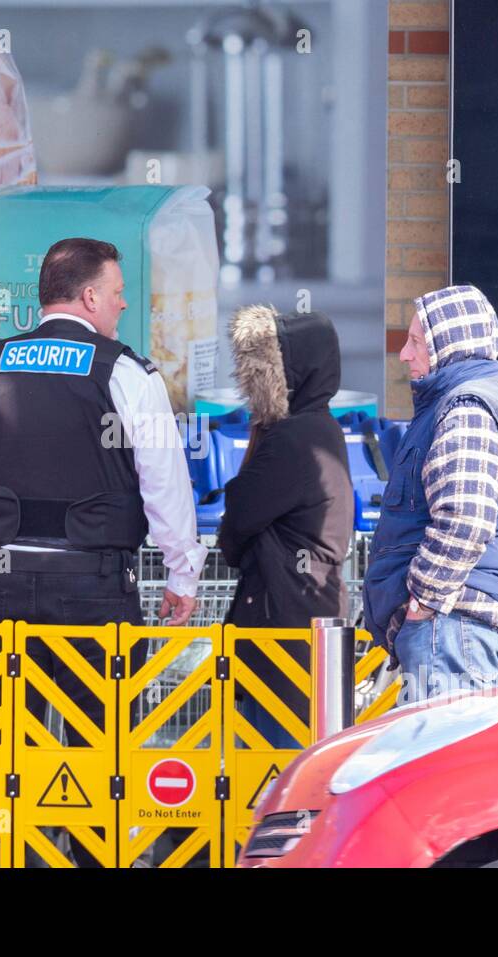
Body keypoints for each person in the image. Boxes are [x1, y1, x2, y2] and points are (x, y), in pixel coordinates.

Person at [0, 237, 206, 740]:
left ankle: (5, 822)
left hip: (3, 583)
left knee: (4, 748)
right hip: (94, 592)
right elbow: (165, 487)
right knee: (99, 754)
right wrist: (183, 576)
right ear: (90, 298)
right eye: (117, 291)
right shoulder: (128, 374)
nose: (124, 302)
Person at [362, 284, 498, 706]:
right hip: (456, 626)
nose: (405, 355)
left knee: (433, 762)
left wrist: (421, 601)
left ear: (449, 346)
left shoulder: (466, 407)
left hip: (451, 625)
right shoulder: (483, 400)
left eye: (415, 342)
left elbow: (466, 517)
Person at [218, 305, 353, 746]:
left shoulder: (295, 438)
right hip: (301, 627)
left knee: (274, 768)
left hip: (283, 634)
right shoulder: (318, 429)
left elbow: (238, 517)